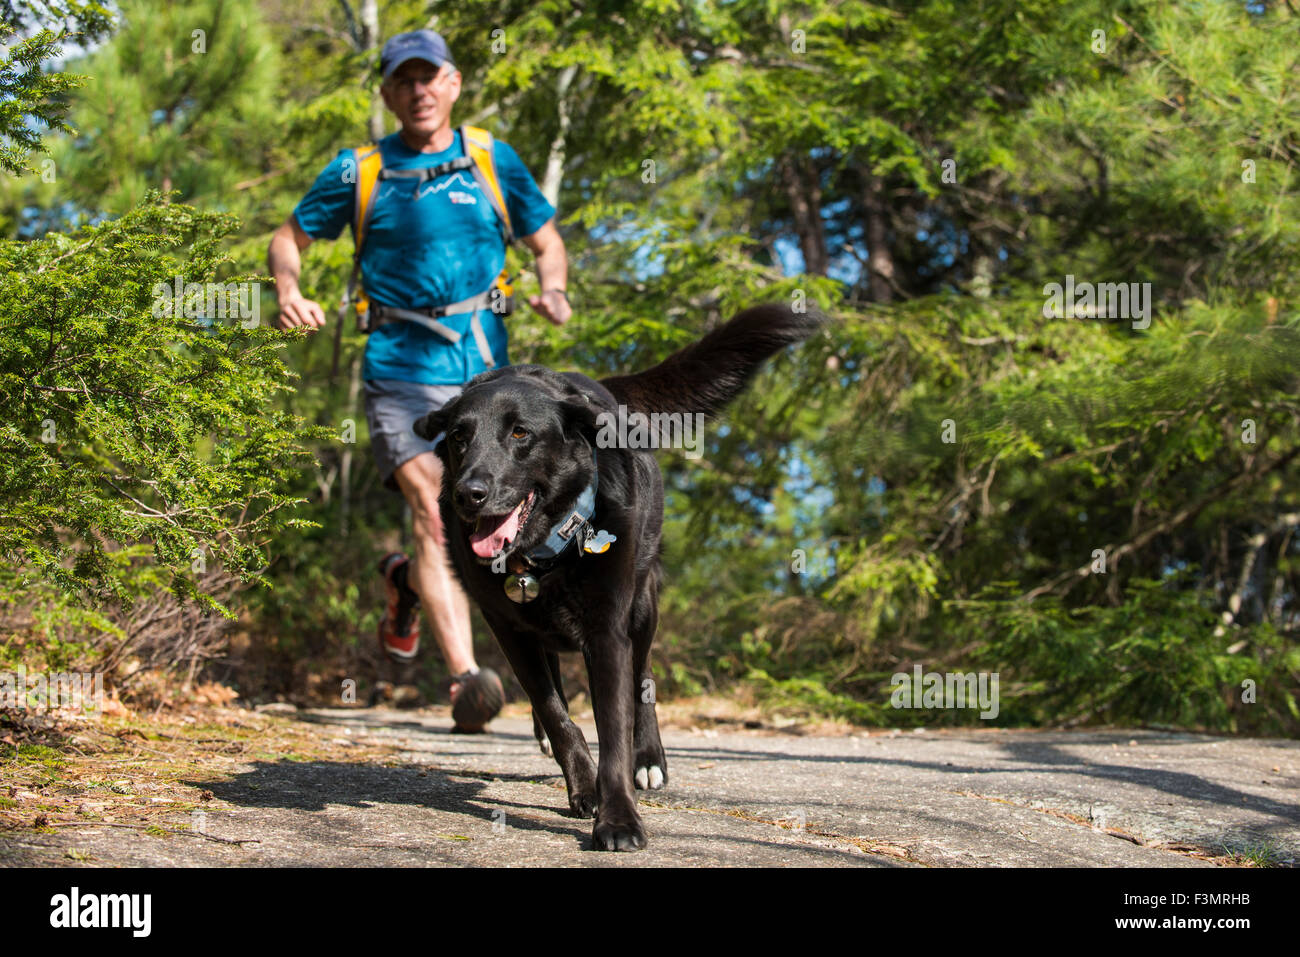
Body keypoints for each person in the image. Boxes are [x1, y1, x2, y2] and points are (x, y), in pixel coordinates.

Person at [267, 29, 571, 731]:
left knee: (494, 518)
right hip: (399, 368)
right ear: (387, 94)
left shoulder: (491, 159)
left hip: (485, 378)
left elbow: (547, 242)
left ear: (453, 84)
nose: (418, 91)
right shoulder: (360, 170)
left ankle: (403, 584)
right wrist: (289, 289)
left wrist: (553, 289)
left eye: (429, 77)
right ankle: (467, 677)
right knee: (438, 512)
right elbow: (289, 237)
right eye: (403, 80)